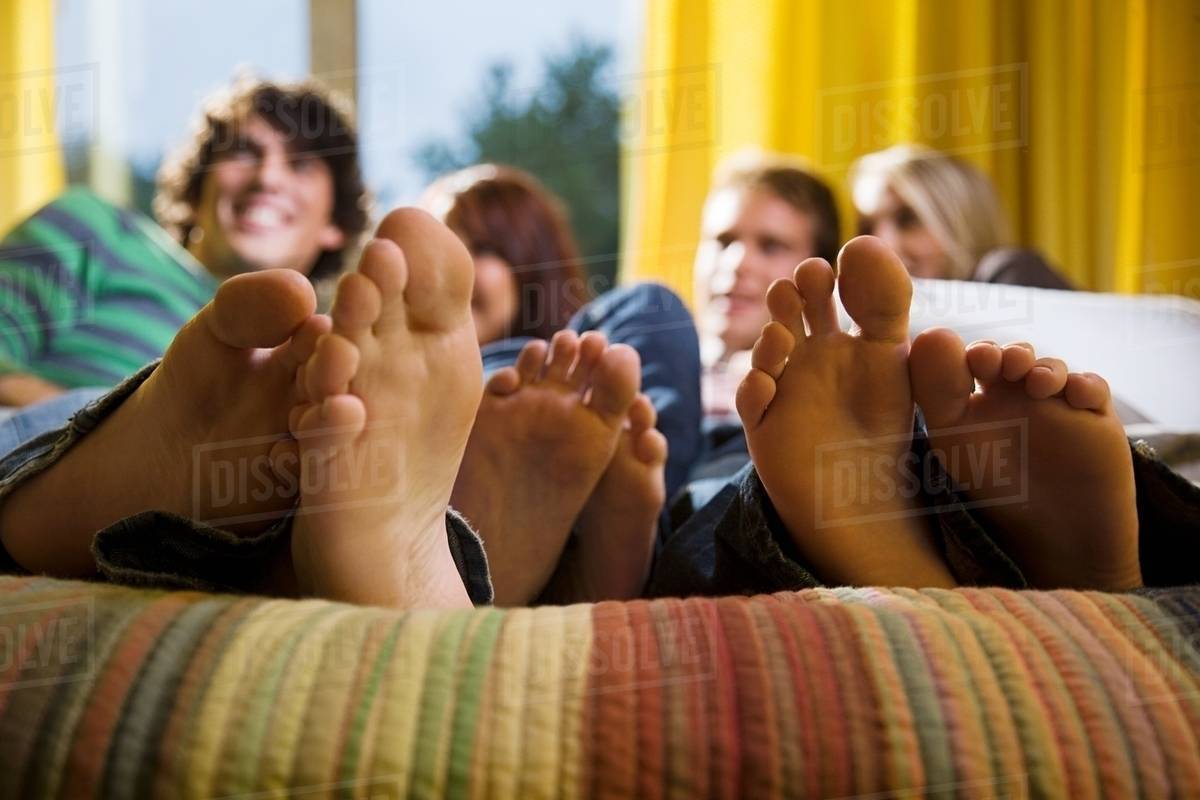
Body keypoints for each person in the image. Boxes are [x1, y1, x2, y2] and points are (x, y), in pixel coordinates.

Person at [4, 212, 1191, 612]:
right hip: (716, 444)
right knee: (655, 351)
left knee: (664, 355)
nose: (739, 262)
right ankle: (493, 548)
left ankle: (64, 480)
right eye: (726, 233)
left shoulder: (767, 360)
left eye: (771, 239)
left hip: (746, 441)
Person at [421, 165, 702, 605]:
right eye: (440, 256)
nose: (457, 272)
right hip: (450, 408)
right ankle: (617, 551)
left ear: (530, 259)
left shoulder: (588, 339)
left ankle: (620, 519)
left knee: (650, 303)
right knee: (499, 375)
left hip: (565, 400)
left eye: (481, 248)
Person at [0, 74, 370, 407]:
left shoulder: (309, 356)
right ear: (197, 189)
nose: (267, 177)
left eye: (301, 164)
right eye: (243, 151)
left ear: (335, 223)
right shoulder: (98, 229)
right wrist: (116, 436)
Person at [850, 144, 1072, 288]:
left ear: (964, 222)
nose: (882, 244)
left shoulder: (1011, 272)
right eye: (866, 228)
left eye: (908, 219)